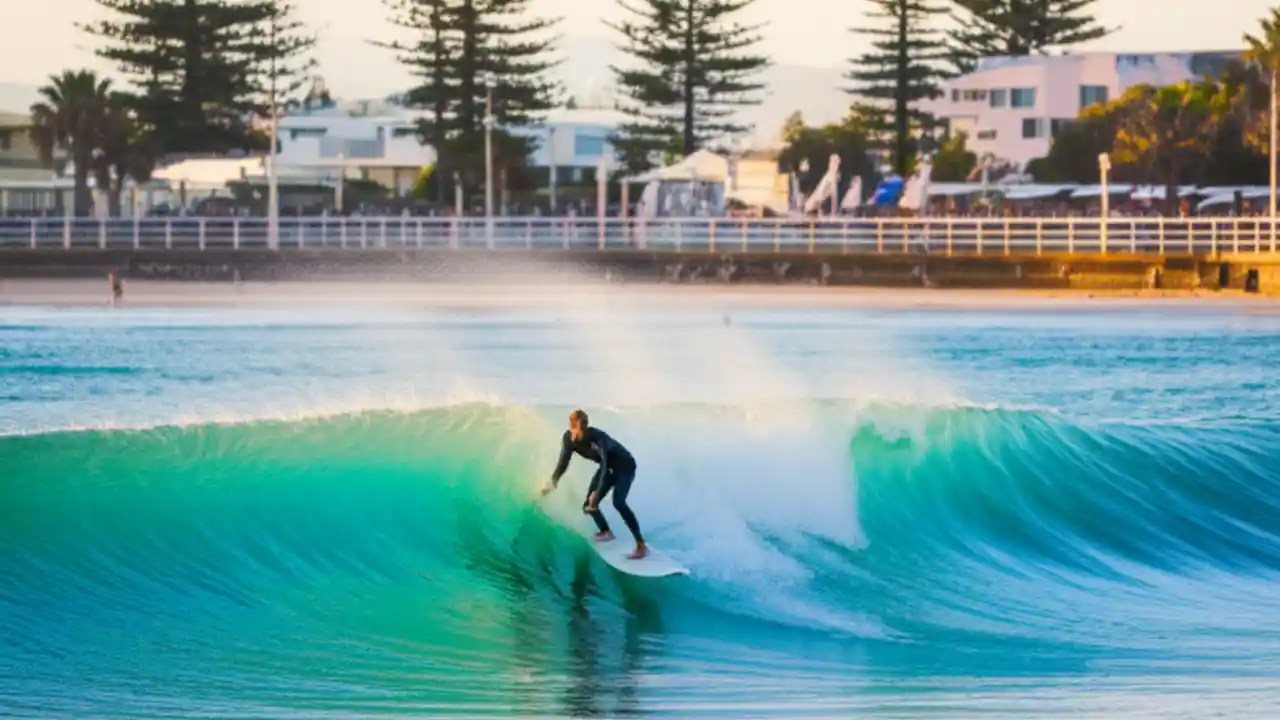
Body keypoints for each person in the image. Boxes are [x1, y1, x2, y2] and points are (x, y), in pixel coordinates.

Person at [542, 409, 647, 560]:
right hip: (608, 469)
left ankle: (640, 544)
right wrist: (553, 482)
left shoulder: (598, 437)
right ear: (571, 426)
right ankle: (606, 532)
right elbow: (563, 463)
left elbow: (604, 463)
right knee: (588, 506)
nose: (580, 435)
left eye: (583, 431)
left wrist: (597, 491)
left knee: (618, 502)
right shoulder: (568, 439)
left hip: (625, 466)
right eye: (577, 431)